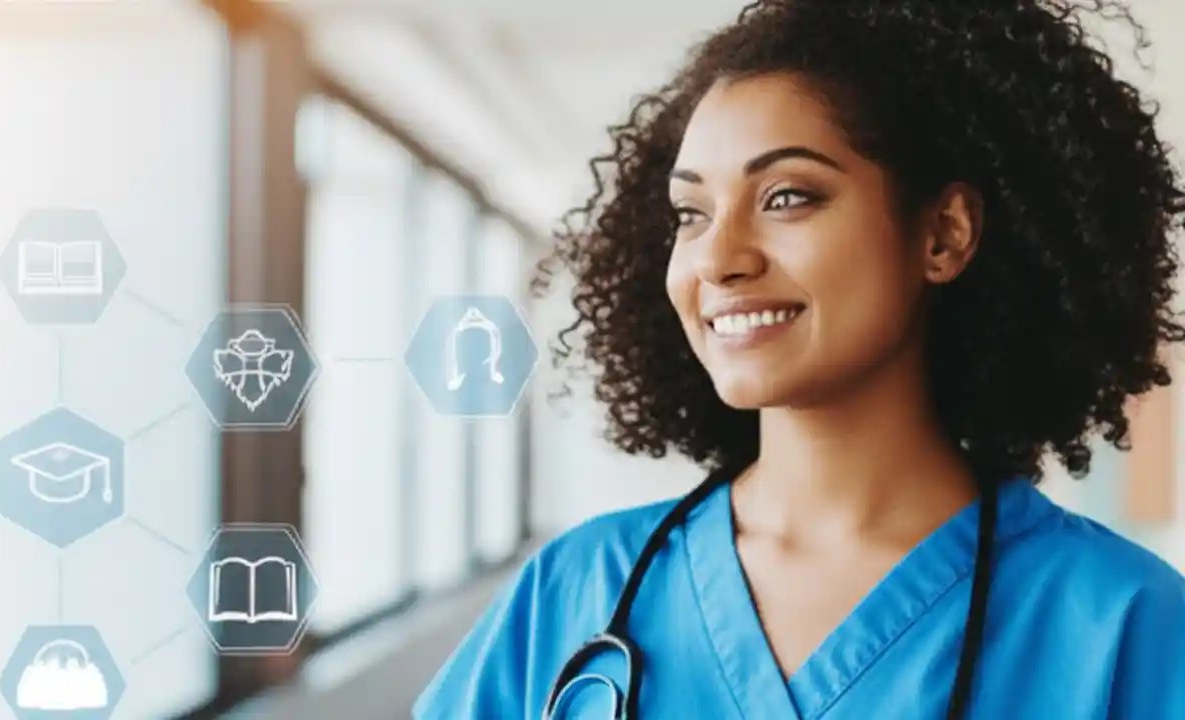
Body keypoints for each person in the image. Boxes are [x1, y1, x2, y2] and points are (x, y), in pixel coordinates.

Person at [413, 0, 1185, 717]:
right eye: (691, 213)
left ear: (943, 234)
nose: (718, 258)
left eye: (787, 196)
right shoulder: (575, 589)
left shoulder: (1123, 624)